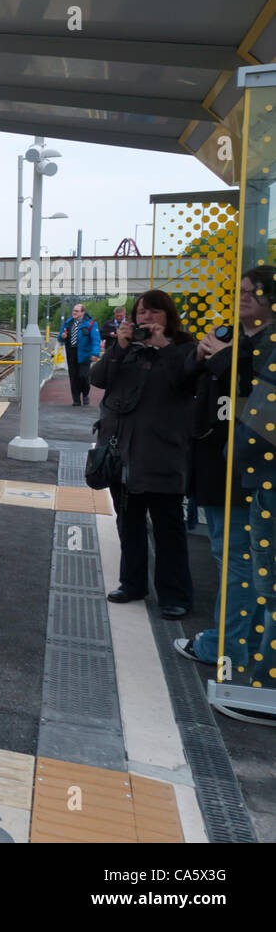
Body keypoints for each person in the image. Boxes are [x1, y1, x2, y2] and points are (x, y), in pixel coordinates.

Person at [177, 267, 276, 666]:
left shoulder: (267, 345)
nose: (244, 297)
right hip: (217, 461)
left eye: (253, 292)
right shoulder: (228, 336)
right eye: (240, 291)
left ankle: (228, 647)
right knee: (231, 554)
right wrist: (199, 356)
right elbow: (186, 379)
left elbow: (251, 388)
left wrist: (222, 359)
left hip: (251, 466)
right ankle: (237, 643)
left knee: (239, 559)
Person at [89, 289, 196, 618]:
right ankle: (132, 583)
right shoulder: (126, 348)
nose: (146, 319)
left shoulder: (184, 348)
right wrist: (119, 348)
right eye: (141, 313)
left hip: (162, 453)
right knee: (129, 522)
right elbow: (98, 378)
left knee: (168, 527)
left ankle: (174, 595)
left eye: (154, 312)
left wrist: (163, 348)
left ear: (168, 317)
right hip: (122, 451)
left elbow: (187, 382)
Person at [59, 302, 100, 406]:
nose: (74, 312)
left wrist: (95, 353)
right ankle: (76, 400)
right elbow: (60, 337)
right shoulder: (68, 323)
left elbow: (96, 340)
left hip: (84, 354)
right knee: (73, 377)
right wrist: (62, 336)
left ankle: (85, 394)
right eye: (73, 310)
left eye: (77, 311)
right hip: (71, 353)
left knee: (83, 376)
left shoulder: (91, 324)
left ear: (83, 312)